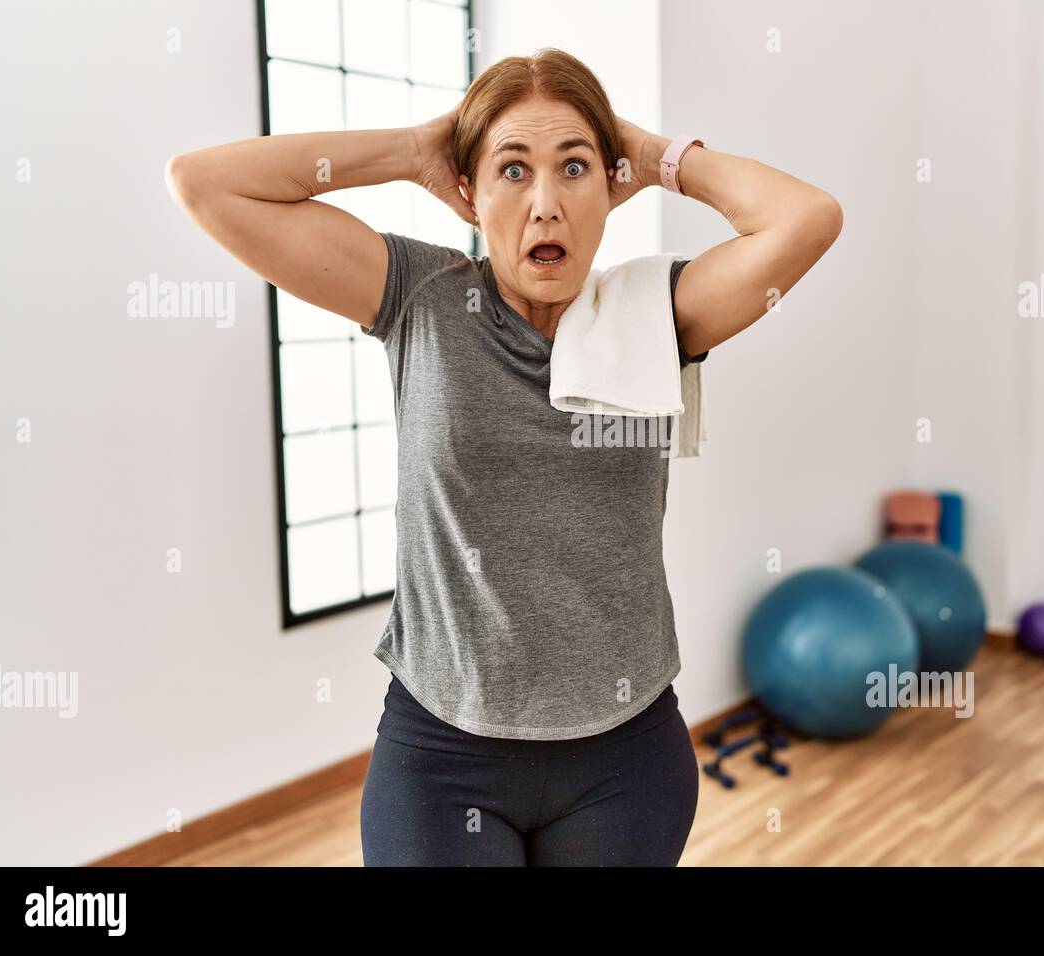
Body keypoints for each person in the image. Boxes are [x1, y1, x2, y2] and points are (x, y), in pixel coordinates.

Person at [165, 47, 842, 866]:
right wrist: (413, 151)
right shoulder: (419, 296)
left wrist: (659, 157)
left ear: (609, 189)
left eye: (575, 169)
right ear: (470, 195)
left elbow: (809, 218)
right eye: (512, 171)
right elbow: (205, 183)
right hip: (443, 759)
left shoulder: (658, 314)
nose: (546, 205)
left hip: (624, 762)